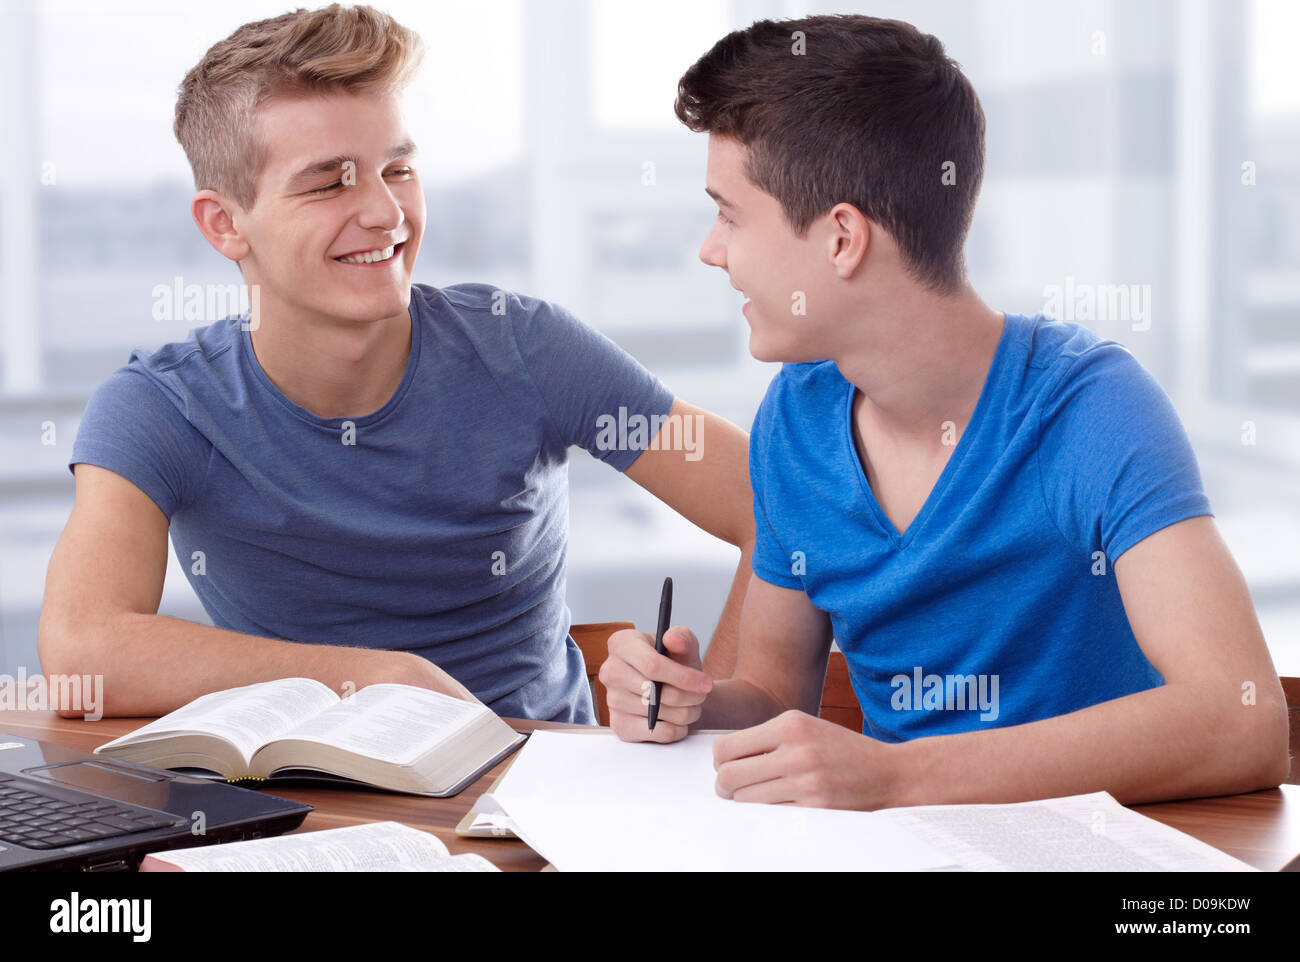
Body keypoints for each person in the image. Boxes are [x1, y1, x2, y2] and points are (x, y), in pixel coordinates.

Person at [600, 14, 1291, 807]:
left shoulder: (1090, 407)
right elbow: (773, 695)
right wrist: (691, 703)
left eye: (728, 214)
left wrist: (899, 777)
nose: (710, 250)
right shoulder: (795, 420)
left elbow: (1243, 721)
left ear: (841, 240)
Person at [38, 4, 754, 723]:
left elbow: (777, 506)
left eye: (399, 169)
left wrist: (722, 710)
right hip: (307, 813)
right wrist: (377, 677)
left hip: (536, 794)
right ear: (225, 223)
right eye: (330, 183)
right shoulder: (163, 405)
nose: (386, 212)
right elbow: (80, 650)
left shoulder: (526, 348)